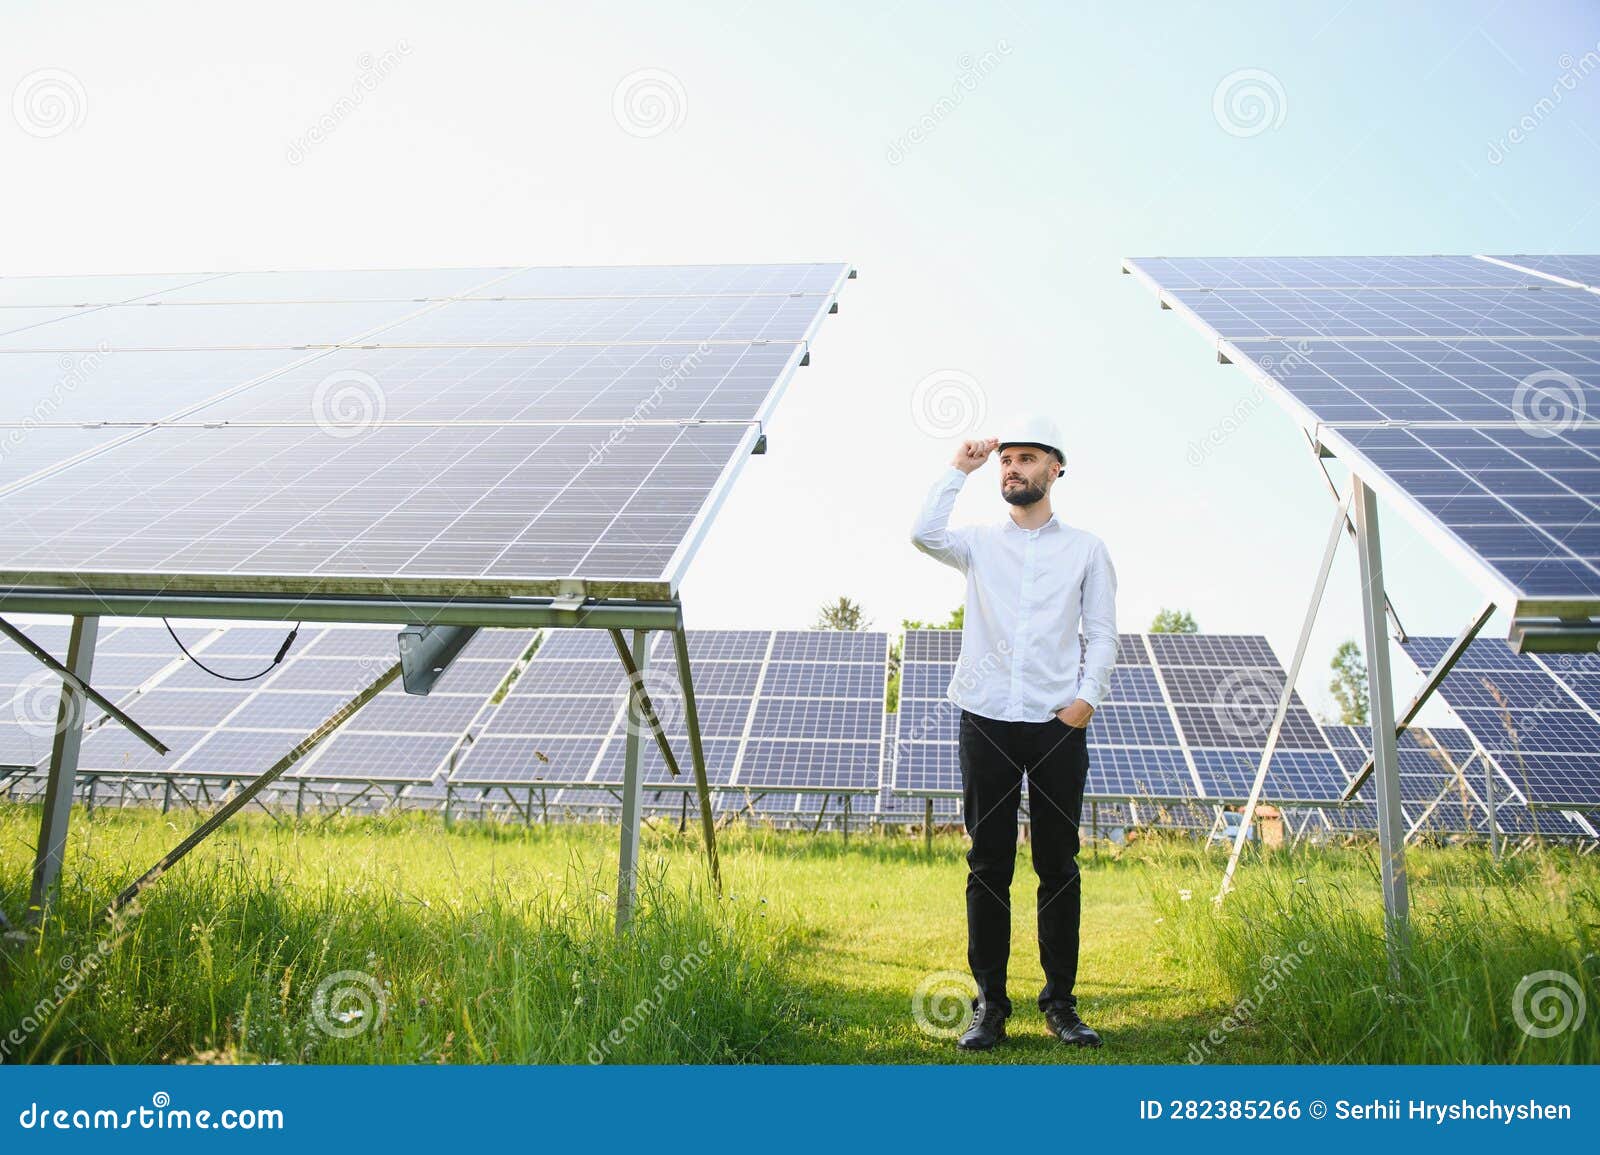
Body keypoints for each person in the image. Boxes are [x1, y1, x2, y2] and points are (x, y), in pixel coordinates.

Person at [910, 416, 1118, 1050]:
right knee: (988, 865)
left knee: (1058, 865)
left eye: (1026, 459)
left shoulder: (1086, 548)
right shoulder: (977, 543)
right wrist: (959, 467)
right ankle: (990, 1007)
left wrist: (1085, 701)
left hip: (1057, 724)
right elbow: (922, 532)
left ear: (1056, 469)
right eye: (1006, 461)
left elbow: (1103, 633)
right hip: (986, 720)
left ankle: (1060, 1005)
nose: (1013, 469)